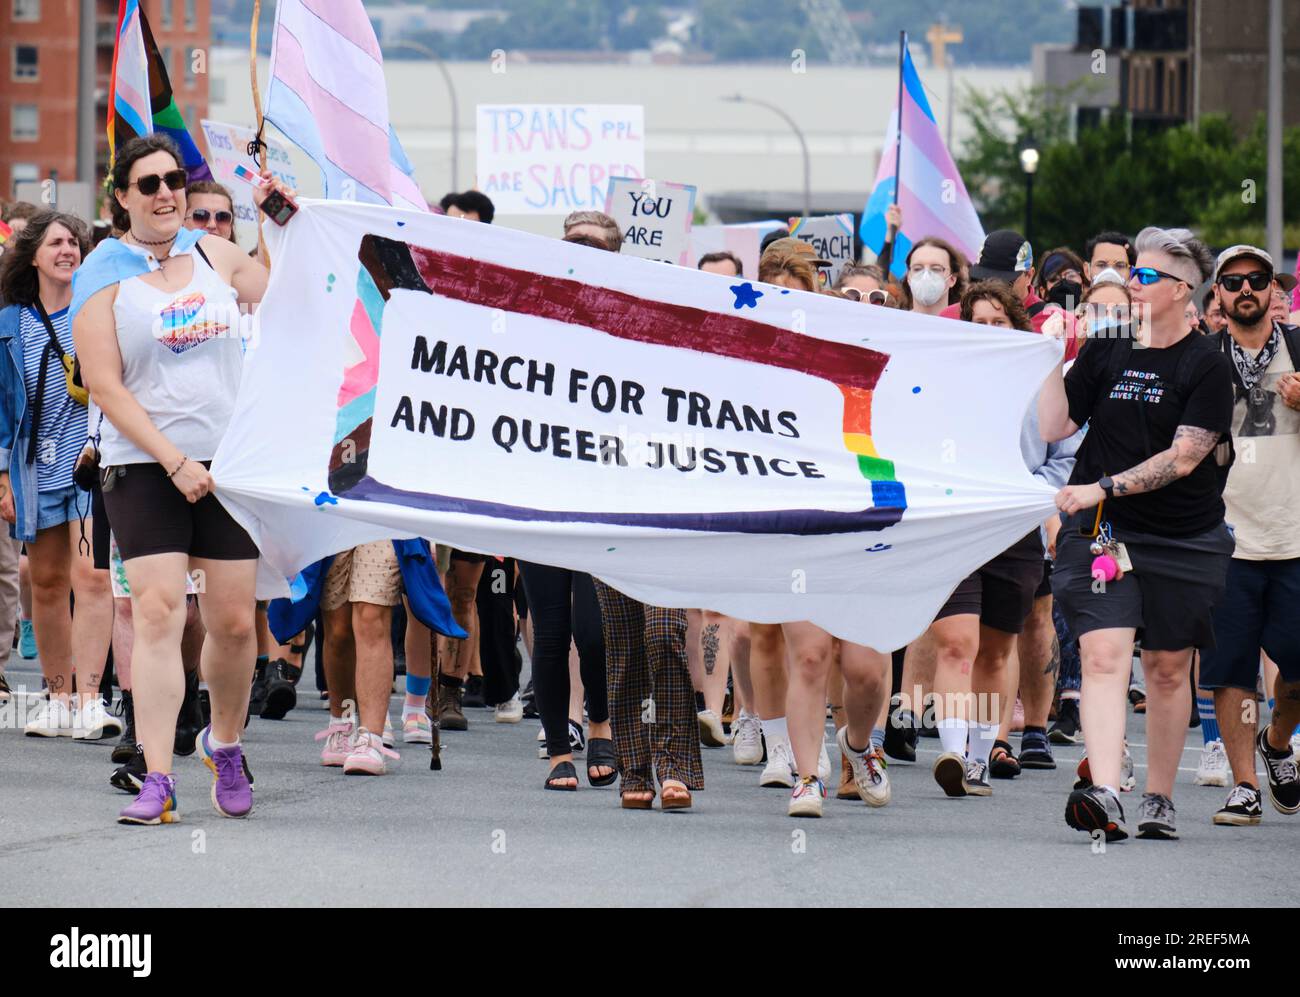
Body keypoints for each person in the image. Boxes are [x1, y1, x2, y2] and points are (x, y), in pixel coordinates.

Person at [71, 133, 291, 825]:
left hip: (230, 464)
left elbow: (287, 301)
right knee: (161, 612)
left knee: (230, 621)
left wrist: (272, 222)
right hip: (142, 466)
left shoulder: (214, 254)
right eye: (149, 184)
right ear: (122, 199)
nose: (166, 193)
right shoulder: (102, 272)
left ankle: (223, 742)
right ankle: (158, 775)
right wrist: (172, 459)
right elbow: (104, 385)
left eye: (174, 180)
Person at [1040, 226, 1235, 842]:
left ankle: (1158, 798)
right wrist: (1047, 360)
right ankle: (1103, 788)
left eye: (1146, 276)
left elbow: (1183, 459)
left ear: (1183, 291)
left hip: (1184, 536)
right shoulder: (1107, 346)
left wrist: (1104, 484)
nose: (1131, 283)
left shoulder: (1207, 363)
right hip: (1103, 533)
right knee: (1102, 654)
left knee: (1170, 668)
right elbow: (1055, 423)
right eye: (1131, 272)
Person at [0, 210, 117, 739]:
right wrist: (2, 476)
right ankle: (58, 697)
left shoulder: (99, 310)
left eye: (74, 242)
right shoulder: (10, 324)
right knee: (46, 583)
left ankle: (92, 699)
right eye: (55, 243)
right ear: (32, 255)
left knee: (91, 578)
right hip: (32, 470)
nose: (68, 250)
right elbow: (3, 405)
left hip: (89, 467)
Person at [1198, 245, 1300, 826]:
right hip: (1228, 535)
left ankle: (1278, 742)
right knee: (1232, 668)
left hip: (1295, 533)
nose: (1245, 290)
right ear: (1217, 295)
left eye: (1256, 280)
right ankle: (1244, 785)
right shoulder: (1203, 359)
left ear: (1272, 290)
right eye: (1232, 282)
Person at [900, 237, 966, 316]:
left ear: (952, 279)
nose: (925, 275)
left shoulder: (964, 326)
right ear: (908, 277)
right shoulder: (892, 323)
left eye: (936, 269)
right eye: (917, 269)